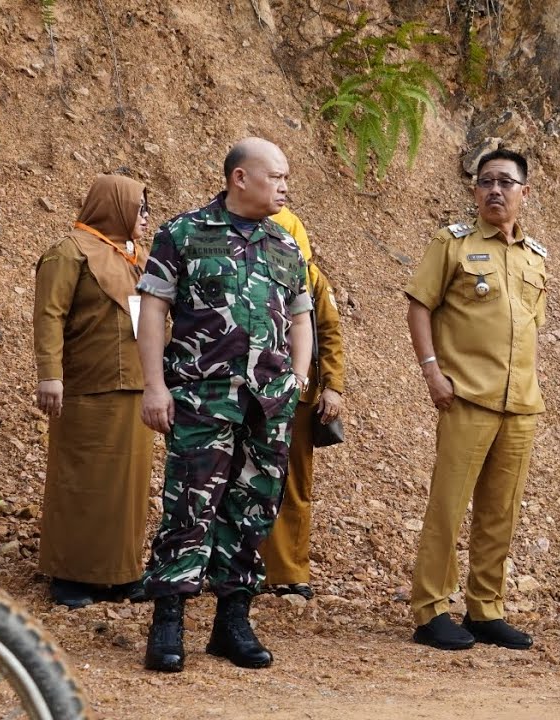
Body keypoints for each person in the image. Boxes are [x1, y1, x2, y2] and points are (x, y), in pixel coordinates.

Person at [134, 137, 313, 672]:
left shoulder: (285, 244)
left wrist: (298, 379)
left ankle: (232, 621)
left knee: (252, 508)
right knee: (188, 507)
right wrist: (154, 386)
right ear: (241, 178)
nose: (284, 185)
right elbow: (153, 310)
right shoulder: (183, 233)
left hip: (268, 405)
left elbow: (302, 316)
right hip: (200, 398)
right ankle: (168, 622)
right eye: (275, 176)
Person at [404, 148, 548, 651]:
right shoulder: (453, 244)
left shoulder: (535, 257)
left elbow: (531, 325)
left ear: (524, 194)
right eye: (486, 181)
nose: (495, 190)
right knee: (448, 505)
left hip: (520, 404)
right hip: (464, 397)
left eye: (506, 182)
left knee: (499, 512)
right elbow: (419, 304)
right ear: (474, 190)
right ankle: (431, 609)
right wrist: (431, 371)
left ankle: (485, 608)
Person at [33, 174, 155, 609]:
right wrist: (50, 374)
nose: (145, 217)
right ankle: (71, 575)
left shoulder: (138, 258)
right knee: (81, 481)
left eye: (145, 209)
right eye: (138, 208)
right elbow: (49, 314)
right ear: (114, 206)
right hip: (86, 386)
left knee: (128, 486)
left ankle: (121, 573)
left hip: (137, 388)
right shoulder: (69, 252)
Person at [257, 206, 346, 600]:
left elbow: (329, 334)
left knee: (293, 485)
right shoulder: (243, 266)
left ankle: (289, 571)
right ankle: (241, 568)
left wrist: (333, 387)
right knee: (247, 480)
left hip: (299, 397)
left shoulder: (311, 278)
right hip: (251, 394)